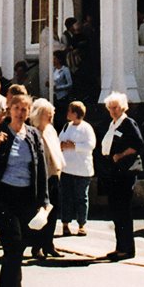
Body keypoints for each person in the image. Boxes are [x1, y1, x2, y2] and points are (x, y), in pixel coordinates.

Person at [0, 88, 49, 287]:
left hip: (25, 197)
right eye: (16, 108)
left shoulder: (32, 135)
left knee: (18, 246)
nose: (20, 113)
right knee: (13, 243)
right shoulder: (0, 134)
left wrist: (44, 199)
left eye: (24, 109)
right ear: (8, 110)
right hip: (4, 196)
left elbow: (41, 168)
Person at [100, 92, 144, 260]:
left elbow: (138, 144)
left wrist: (121, 155)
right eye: (110, 108)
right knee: (116, 211)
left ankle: (128, 249)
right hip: (113, 174)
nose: (113, 111)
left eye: (116, 107)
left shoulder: (128, 123)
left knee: (124, 211)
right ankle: (120, 247)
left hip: (124, 174)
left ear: (123, 107)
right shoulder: (112, 124)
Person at [29, 98, 64, 259]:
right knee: (40, 212)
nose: (50, 117)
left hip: (54, 175)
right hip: (40, 178)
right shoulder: (33, 132)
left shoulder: (51, 130)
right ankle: (37, 246)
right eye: (47, 114)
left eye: (51, 114)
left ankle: (49, 244)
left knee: (53, 212)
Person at [59, 100, 96, 236]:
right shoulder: (66, 126)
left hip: (82, 170)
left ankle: (81, 224)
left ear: (75, 113)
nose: (67, 114)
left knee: (81, 197)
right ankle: (65, 224)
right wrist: (62, 145)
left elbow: (91, 145)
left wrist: (75, 146)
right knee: (66, 197)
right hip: (67, 168)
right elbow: (59, 140)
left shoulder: (87, 128)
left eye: (70, 111)